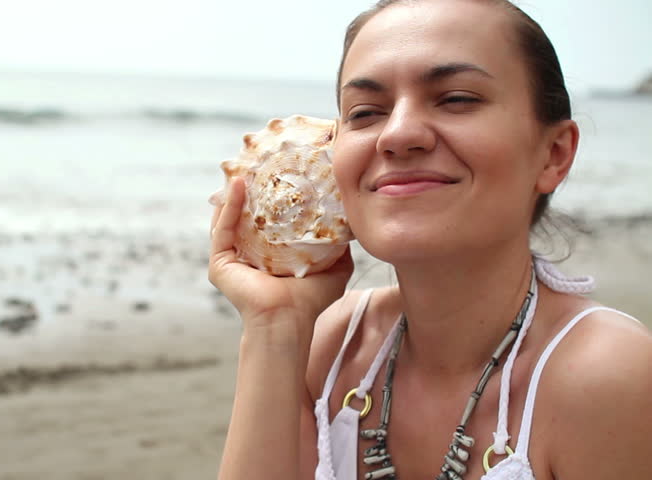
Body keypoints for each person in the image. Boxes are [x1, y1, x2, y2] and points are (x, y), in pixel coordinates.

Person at [207, 0, 652, 479]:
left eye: (456, 99)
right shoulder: (331, 346)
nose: (397, 134)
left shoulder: (605, 375)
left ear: (554, 154)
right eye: (365, 112)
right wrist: (274, 326)